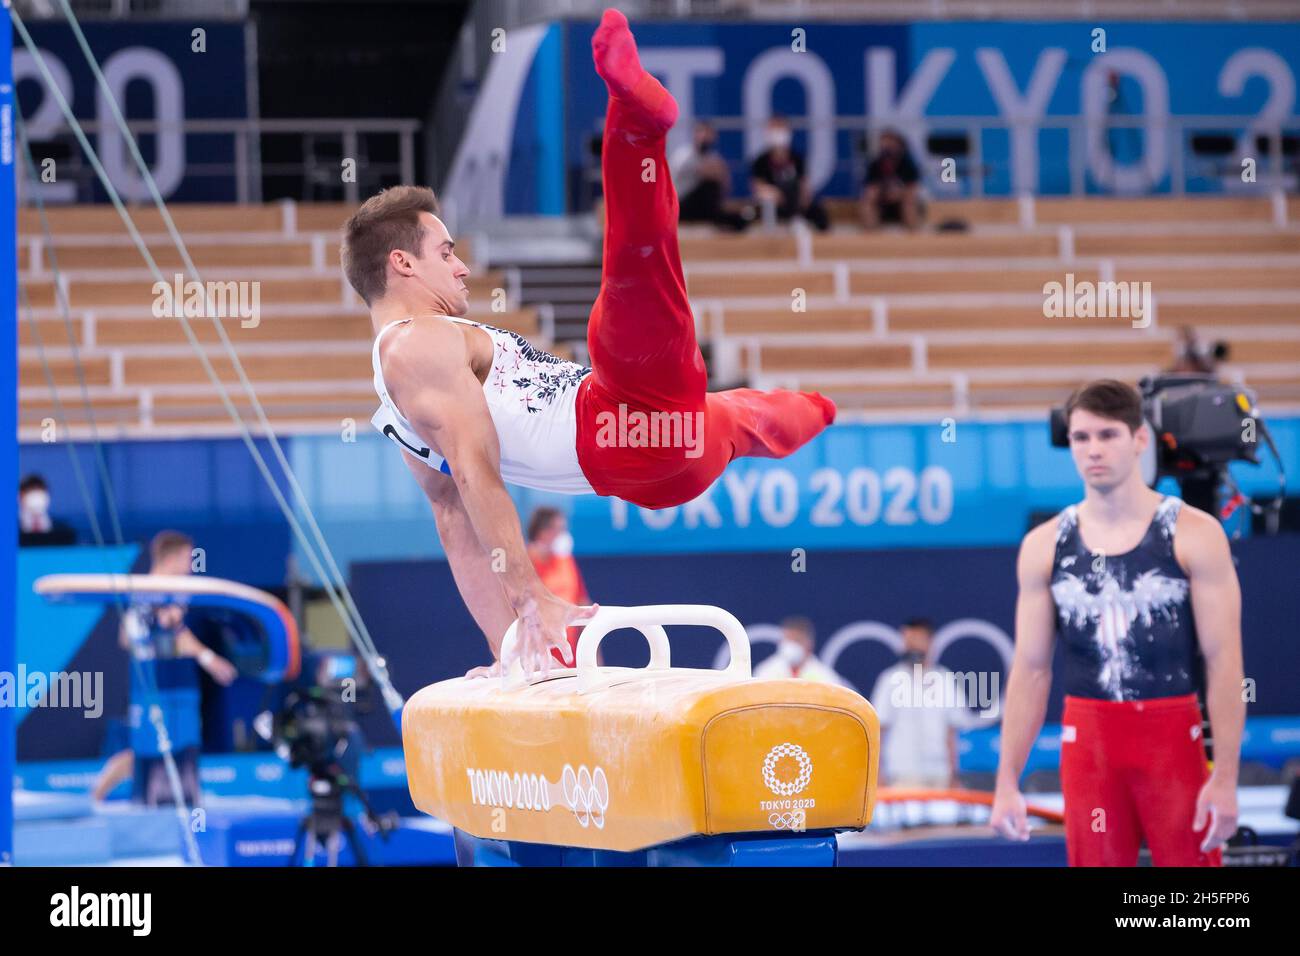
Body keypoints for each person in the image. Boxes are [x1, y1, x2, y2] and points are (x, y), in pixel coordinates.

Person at [342, 9, 836, 679]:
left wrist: (509, 648)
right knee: (635, 281)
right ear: (402, 264)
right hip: (623, 430)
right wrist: (524, 616)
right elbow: (472, 480)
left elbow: (455, 520)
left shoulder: (397, 391)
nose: (461, 267)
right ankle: (636, 119)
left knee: (733, 408)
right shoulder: (413, 348)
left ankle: (808, 409)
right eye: (446, 251)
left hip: (658, 462)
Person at [990, 380, 1243, 866]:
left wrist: (1226, 776)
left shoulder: (1195, 534)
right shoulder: (1044, 546)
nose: (1093, 450)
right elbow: (1031, 670)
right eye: (1081, 438)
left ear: (1140, 439)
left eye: (1107, 435)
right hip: (1090, 741)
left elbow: (1224, 661)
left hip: (1171, 736)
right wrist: (1006, 781)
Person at [90, 530, 237, 805]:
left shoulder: (179, 591)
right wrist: (206, 657)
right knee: (147, 748)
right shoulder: (145, 590)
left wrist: (186, 647)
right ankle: (99, 794)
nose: (192, 566)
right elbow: (127, 638)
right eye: (188, 558)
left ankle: (187, 799)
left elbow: (177, 634)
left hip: (181, 683)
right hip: (154, 685)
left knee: (184, 745)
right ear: (171, 557)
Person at [868, 618, 967, 789]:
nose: (911, 646)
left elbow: (951, 733)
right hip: (901, 775)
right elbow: (878, 731)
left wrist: (954, 775)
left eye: (916, 640)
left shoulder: (946, 680)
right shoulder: (890, 680)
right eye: (907, 641)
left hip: (939, 775)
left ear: (930, 643)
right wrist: (878, 776)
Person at [526, 506, 593, 666]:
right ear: (544, 532)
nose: (565, 535)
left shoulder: (566, 561)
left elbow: (583, 605)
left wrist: (593, 658)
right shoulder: (524, 564)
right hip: (537, 661)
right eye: (560, 529)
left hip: (570, 658)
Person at [749, 116, 830, 231]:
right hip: (774, 204)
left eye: (780, 129)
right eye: (774, 129)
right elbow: (757, 186)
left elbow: (804, 184)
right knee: (752, 213)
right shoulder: (760, 161)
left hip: (796, 201)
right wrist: (773, 193)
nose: (777, 133)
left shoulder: (797, 158)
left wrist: (804, 198)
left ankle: (798, 220)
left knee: (819, 214)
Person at [670, 120, 748, 232]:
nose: (705, 137)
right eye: (702, 133)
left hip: (702, 206)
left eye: (708, 134)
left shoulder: (713, 157)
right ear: (695, 134)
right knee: (710, 185)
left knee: (737, 218)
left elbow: (725, 183)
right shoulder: (683, 155)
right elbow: (705, 172)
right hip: (681, 204)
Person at [752, 616, 847, 685]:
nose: (790, 645)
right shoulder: (765, 671)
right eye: (787, 640)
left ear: (809, 643)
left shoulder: (826, 677)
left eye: (796, 640)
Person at [860, 130, 923, 230]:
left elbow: (913, 189)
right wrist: (882, 194)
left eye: (890, 143)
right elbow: (870, 189)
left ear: (898, 145)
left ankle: (913, 238)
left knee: (909, 203)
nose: (887, 147)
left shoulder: (907, 164)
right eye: (884, 144)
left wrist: (899, 194)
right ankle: (871, 239)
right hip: (882, 204)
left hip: (902, 203)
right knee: (867, 204)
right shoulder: (875, 164)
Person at [18, 474, 75, 546]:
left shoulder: (65, 530)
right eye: (31, 490)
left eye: (40, 490)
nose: (36, 496)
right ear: (20, 496)